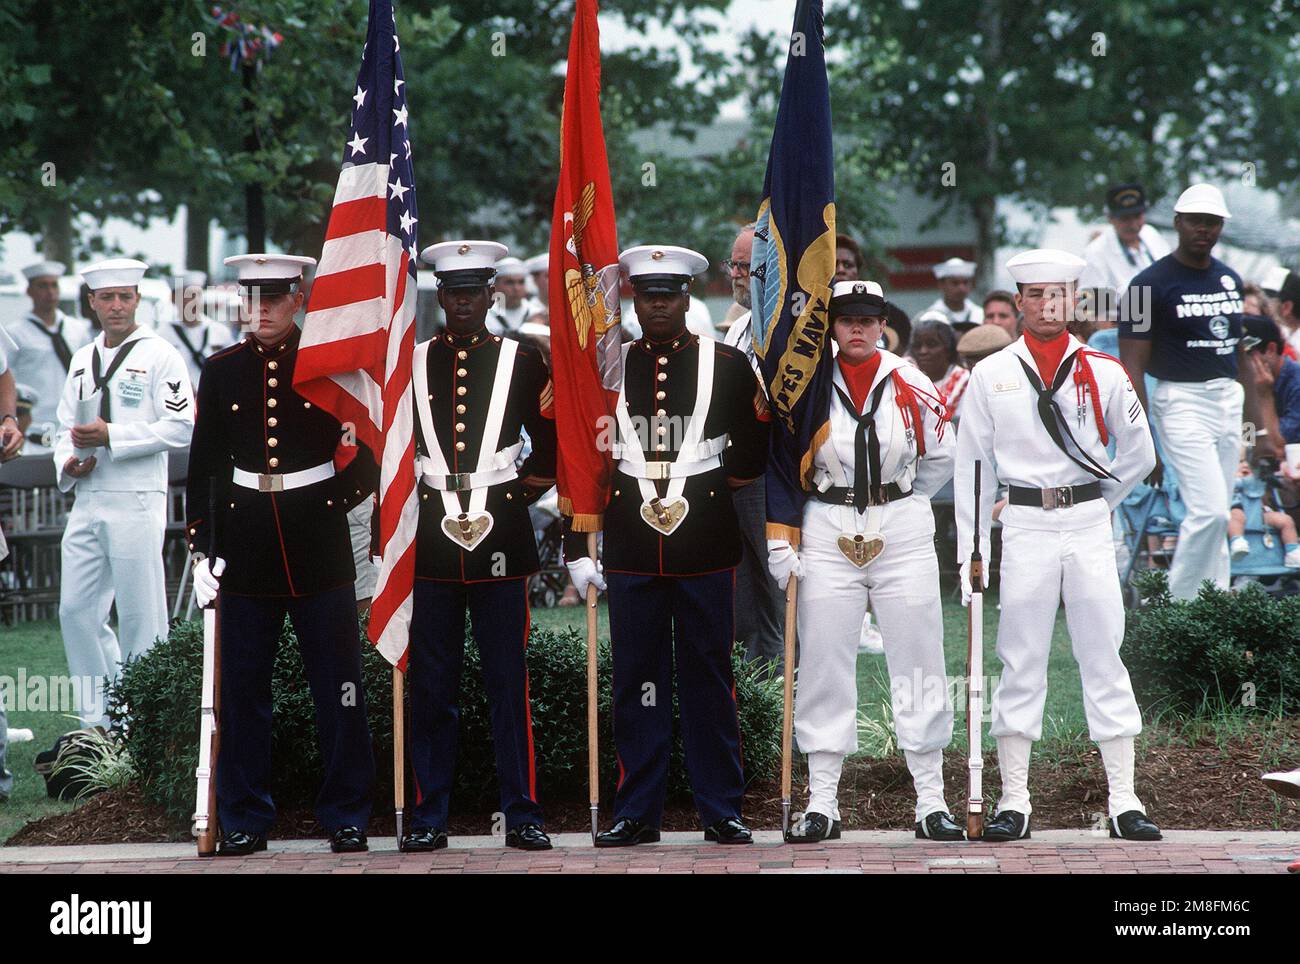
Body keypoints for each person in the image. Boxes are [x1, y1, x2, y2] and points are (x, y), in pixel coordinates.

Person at [565, 244, 769, 847]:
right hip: (630, 543)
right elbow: (584, 457)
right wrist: (580, 543)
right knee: (635, 680)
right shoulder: (606, 367)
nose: (658, 304)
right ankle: (637, 811)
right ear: (631, 297)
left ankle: (720, 808)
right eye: (648, 294)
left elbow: (749, 458)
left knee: (710, 675)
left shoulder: (729, 366)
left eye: (670, 294)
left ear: (688, 298)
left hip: (705, 541)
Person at [956, 248, 1160, 842]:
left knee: (1104, 653)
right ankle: (1015, 800)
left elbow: (1139, 454)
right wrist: (976, 551)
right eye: (1036, 295)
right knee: (1020, 658)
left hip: (1088, 521)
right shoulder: (990, 374)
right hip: (1023, 525)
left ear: (1074, 301)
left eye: (1060, 295)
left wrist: (1098, 503)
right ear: (1018, 302)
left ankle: (1124, 799)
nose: (1048, 305)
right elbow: (974, 470)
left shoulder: (1104, 368)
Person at [186, 253, 377, 857]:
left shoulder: (327, 367)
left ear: (298, 300)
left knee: (340, 687)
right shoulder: (221, 370)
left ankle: (346, 815)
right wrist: (203, 545)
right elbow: (207, 463)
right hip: (246, 546)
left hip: (317, 541)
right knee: (244, 691)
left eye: (274, 299)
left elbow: (366, 449)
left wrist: (327, 500)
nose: (262, 311)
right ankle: (245, 816)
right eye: (252, 300)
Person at [767, 280, 960, 842]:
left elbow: (940, 452)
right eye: (846, 318)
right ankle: (822, 802)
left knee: (920, 656)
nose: (856, 328)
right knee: (824, 657)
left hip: (898, 521)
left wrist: (899, 497)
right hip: (827, 521)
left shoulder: (909, 380)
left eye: (868, 319)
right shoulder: (808, 384)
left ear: (884, 326)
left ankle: (932, 801)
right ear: (831, 325)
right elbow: (783, 455)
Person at [400, 241, 557, 853]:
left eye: (473, 292)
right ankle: (427, 814)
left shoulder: (525, 360)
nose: (462, 303)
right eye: (452, 293)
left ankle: (522, 813)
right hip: (432, 532)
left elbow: (547, 446)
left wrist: (514, 495)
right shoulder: (411, 363)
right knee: (431, 681)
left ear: (493, 295)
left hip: (500, 530)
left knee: (506, 679)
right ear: (440, 297)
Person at [54, 258, 194, 731]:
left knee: (141, 612)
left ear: (138, 300)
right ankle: (101, 721)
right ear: (91, 302)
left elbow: (181, 426)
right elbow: (62, 427)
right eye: (107, 298)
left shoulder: (161, 354)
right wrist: (68, 462)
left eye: (125, 297)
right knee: (75, 610)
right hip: (88, 495)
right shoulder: (80, 357)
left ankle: (145, 720)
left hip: (136, 495)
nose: (116, 306)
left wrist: (112, 435)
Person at [1119, 183, 1245, 600]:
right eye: (1196, 221)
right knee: (1208, 512)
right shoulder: (1143, 286)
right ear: (1177, 222)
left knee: (1219, 511)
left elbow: (1241, 353)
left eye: (1212, 222)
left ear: (1221, 226)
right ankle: (1180, 608)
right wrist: (1143, 434)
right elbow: (1130, 365)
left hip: (1228, 398)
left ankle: (1215, 602)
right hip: (1180, 401)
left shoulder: (1230, 279)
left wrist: (1263, 429)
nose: (1203, 230)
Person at [720, 223, 786, 668]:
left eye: (748, 266)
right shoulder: (736, 329)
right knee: (744, 595)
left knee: (777, 595)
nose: (739, 275)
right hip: (735, 475)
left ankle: (790, 704)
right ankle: (756, 697)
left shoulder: (790, 327)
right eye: (735, 265)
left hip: (775, 473)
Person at [6, 260, 92, 431]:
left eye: (54, 286)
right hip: (33, 425)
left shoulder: (77, 330)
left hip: (72, 423)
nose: (50, 292)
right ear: (29, 291)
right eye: (42, 286)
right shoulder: (14, 333)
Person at [1078, 183, 1171, 304]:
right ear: (1110, 218)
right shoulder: (1095, 253)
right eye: (1125, 218)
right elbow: (1089, 308)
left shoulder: (1151, 234)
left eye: (1137, 216)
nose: (1133, 225)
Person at [158, 270, 234, 389]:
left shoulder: (220, 332)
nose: (193, 301)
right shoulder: (162, 335)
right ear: (173, 298)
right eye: (187, 296)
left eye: (197, 295)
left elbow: (232, 369)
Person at [910, 317, 969, 419]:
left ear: (948, 349)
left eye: (932, 345)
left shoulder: (964, 380)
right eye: (917, 346)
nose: (923, 351)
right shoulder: (911, 378)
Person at [486, 257, 544, 336]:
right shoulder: (486, 316)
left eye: (521, 282)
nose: (516, 288)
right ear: (495, 285)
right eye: (509, 282)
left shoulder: (536, 313)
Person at [926, 257, 983, 326]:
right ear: (941, 285)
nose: (961, 288)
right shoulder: (931, 316)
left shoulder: (979, 315)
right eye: (955, 283)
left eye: (965, 283)